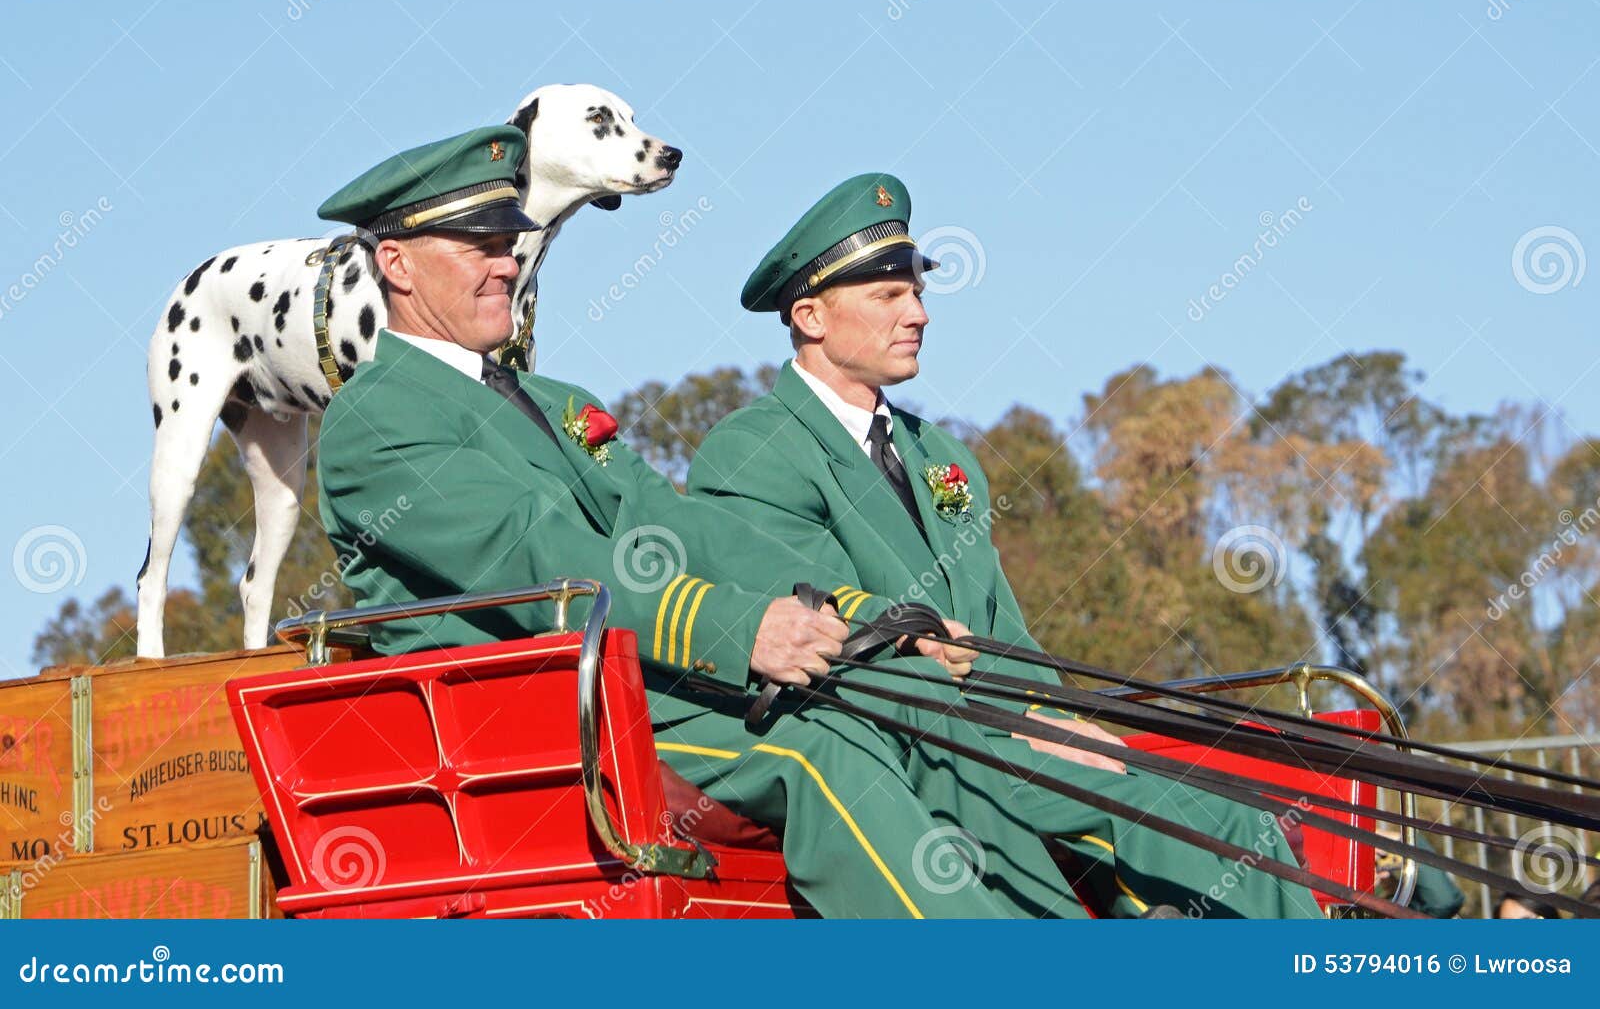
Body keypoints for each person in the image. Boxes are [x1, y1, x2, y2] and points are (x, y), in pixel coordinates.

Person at [314, 134, 1314, 918]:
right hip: (531, 720)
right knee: (820, 749)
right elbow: (547, 557)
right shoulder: (378, 416)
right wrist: (737, 631)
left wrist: (867, 611)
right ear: (396, 263)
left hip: (627, 683)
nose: (505, 263)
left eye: (509, 241)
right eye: (477, 244)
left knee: (895, 691)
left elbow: (671, 525)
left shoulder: (554, 395)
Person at [685, 172, 1321, 919]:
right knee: (1173, 833)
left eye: (917, 292)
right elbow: (836, 636)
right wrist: (1029, 733)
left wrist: (1060, 717)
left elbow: (1002, 628)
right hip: (907, 745)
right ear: (811, 316)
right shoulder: (752, 450)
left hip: (995, 732)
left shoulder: (942, 454)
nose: (918, 312)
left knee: (1233, 816)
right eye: (888, 296)